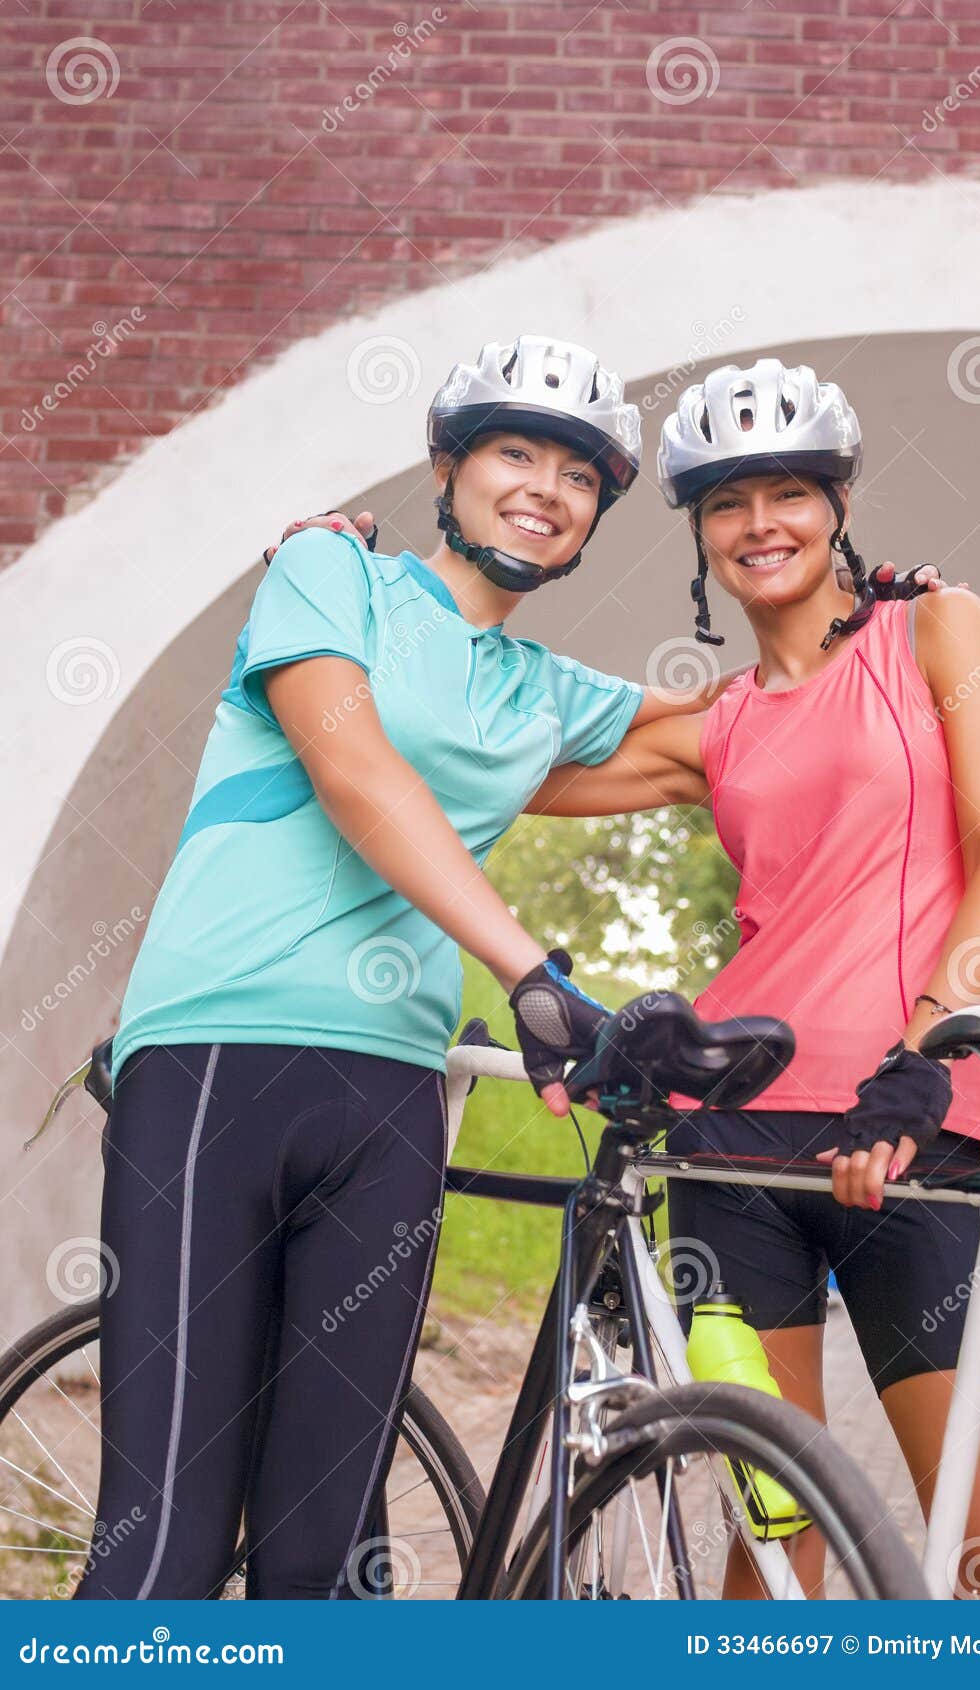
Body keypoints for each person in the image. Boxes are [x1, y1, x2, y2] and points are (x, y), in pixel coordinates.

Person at [77, 335, 722, 1599]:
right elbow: (359, 775)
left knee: (328, 1555)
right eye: (512, 452)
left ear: (595, 513)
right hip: (221, 1055)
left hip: (390, 1095)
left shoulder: (540, 694)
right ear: (447, 466)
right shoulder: (331, 573)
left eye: (578, 473)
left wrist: (873, 631)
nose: (543, 485)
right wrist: (533, 968)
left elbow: (734, 734)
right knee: (165, 1548)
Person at [528, 357, 980, 1598]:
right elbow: (490, 761)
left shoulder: (936, 628)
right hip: (731, 1146)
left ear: (836, 502)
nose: (758, 523)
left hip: (904, 1134)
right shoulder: (715, 720)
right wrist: (355, 586)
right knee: (770, 1556)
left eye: (786, 492)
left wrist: (924, 1060)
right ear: (699, 533)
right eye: (725, 502)